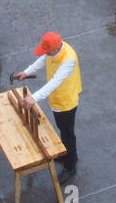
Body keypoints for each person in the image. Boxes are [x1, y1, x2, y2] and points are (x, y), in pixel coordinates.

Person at [11, 32, 81, 182]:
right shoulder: (55, 50)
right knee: (62, 129)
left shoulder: (68, 60)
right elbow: (43, 59)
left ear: (55, 49)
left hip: (65, 102)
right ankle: (66, 154)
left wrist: (33, 98)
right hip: (57, 98)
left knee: (67, 133)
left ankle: (70, 165)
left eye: (47, 51)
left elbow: (54, 82)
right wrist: (27, 72)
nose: (46, 54)